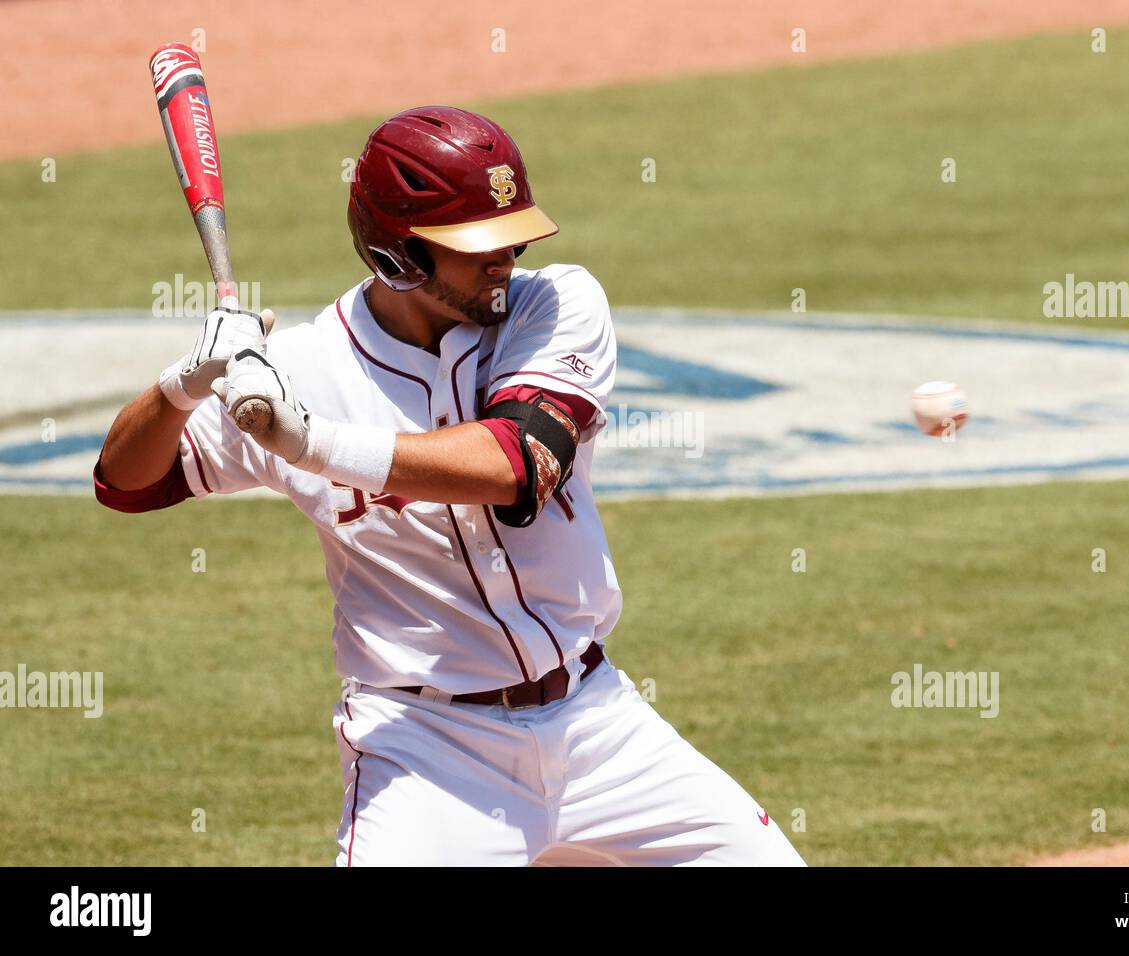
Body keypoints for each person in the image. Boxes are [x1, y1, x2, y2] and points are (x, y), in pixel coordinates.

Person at [95, 106, 805, 867]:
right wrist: (179, 387)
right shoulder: (303, 371)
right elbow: (128, 483)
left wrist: (313, 443)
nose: (506, 256)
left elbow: (516, 463)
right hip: (430, 751)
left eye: (514, 234)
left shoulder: (556, 304)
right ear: (398, 256)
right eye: (477, 247)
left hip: (601, 726)